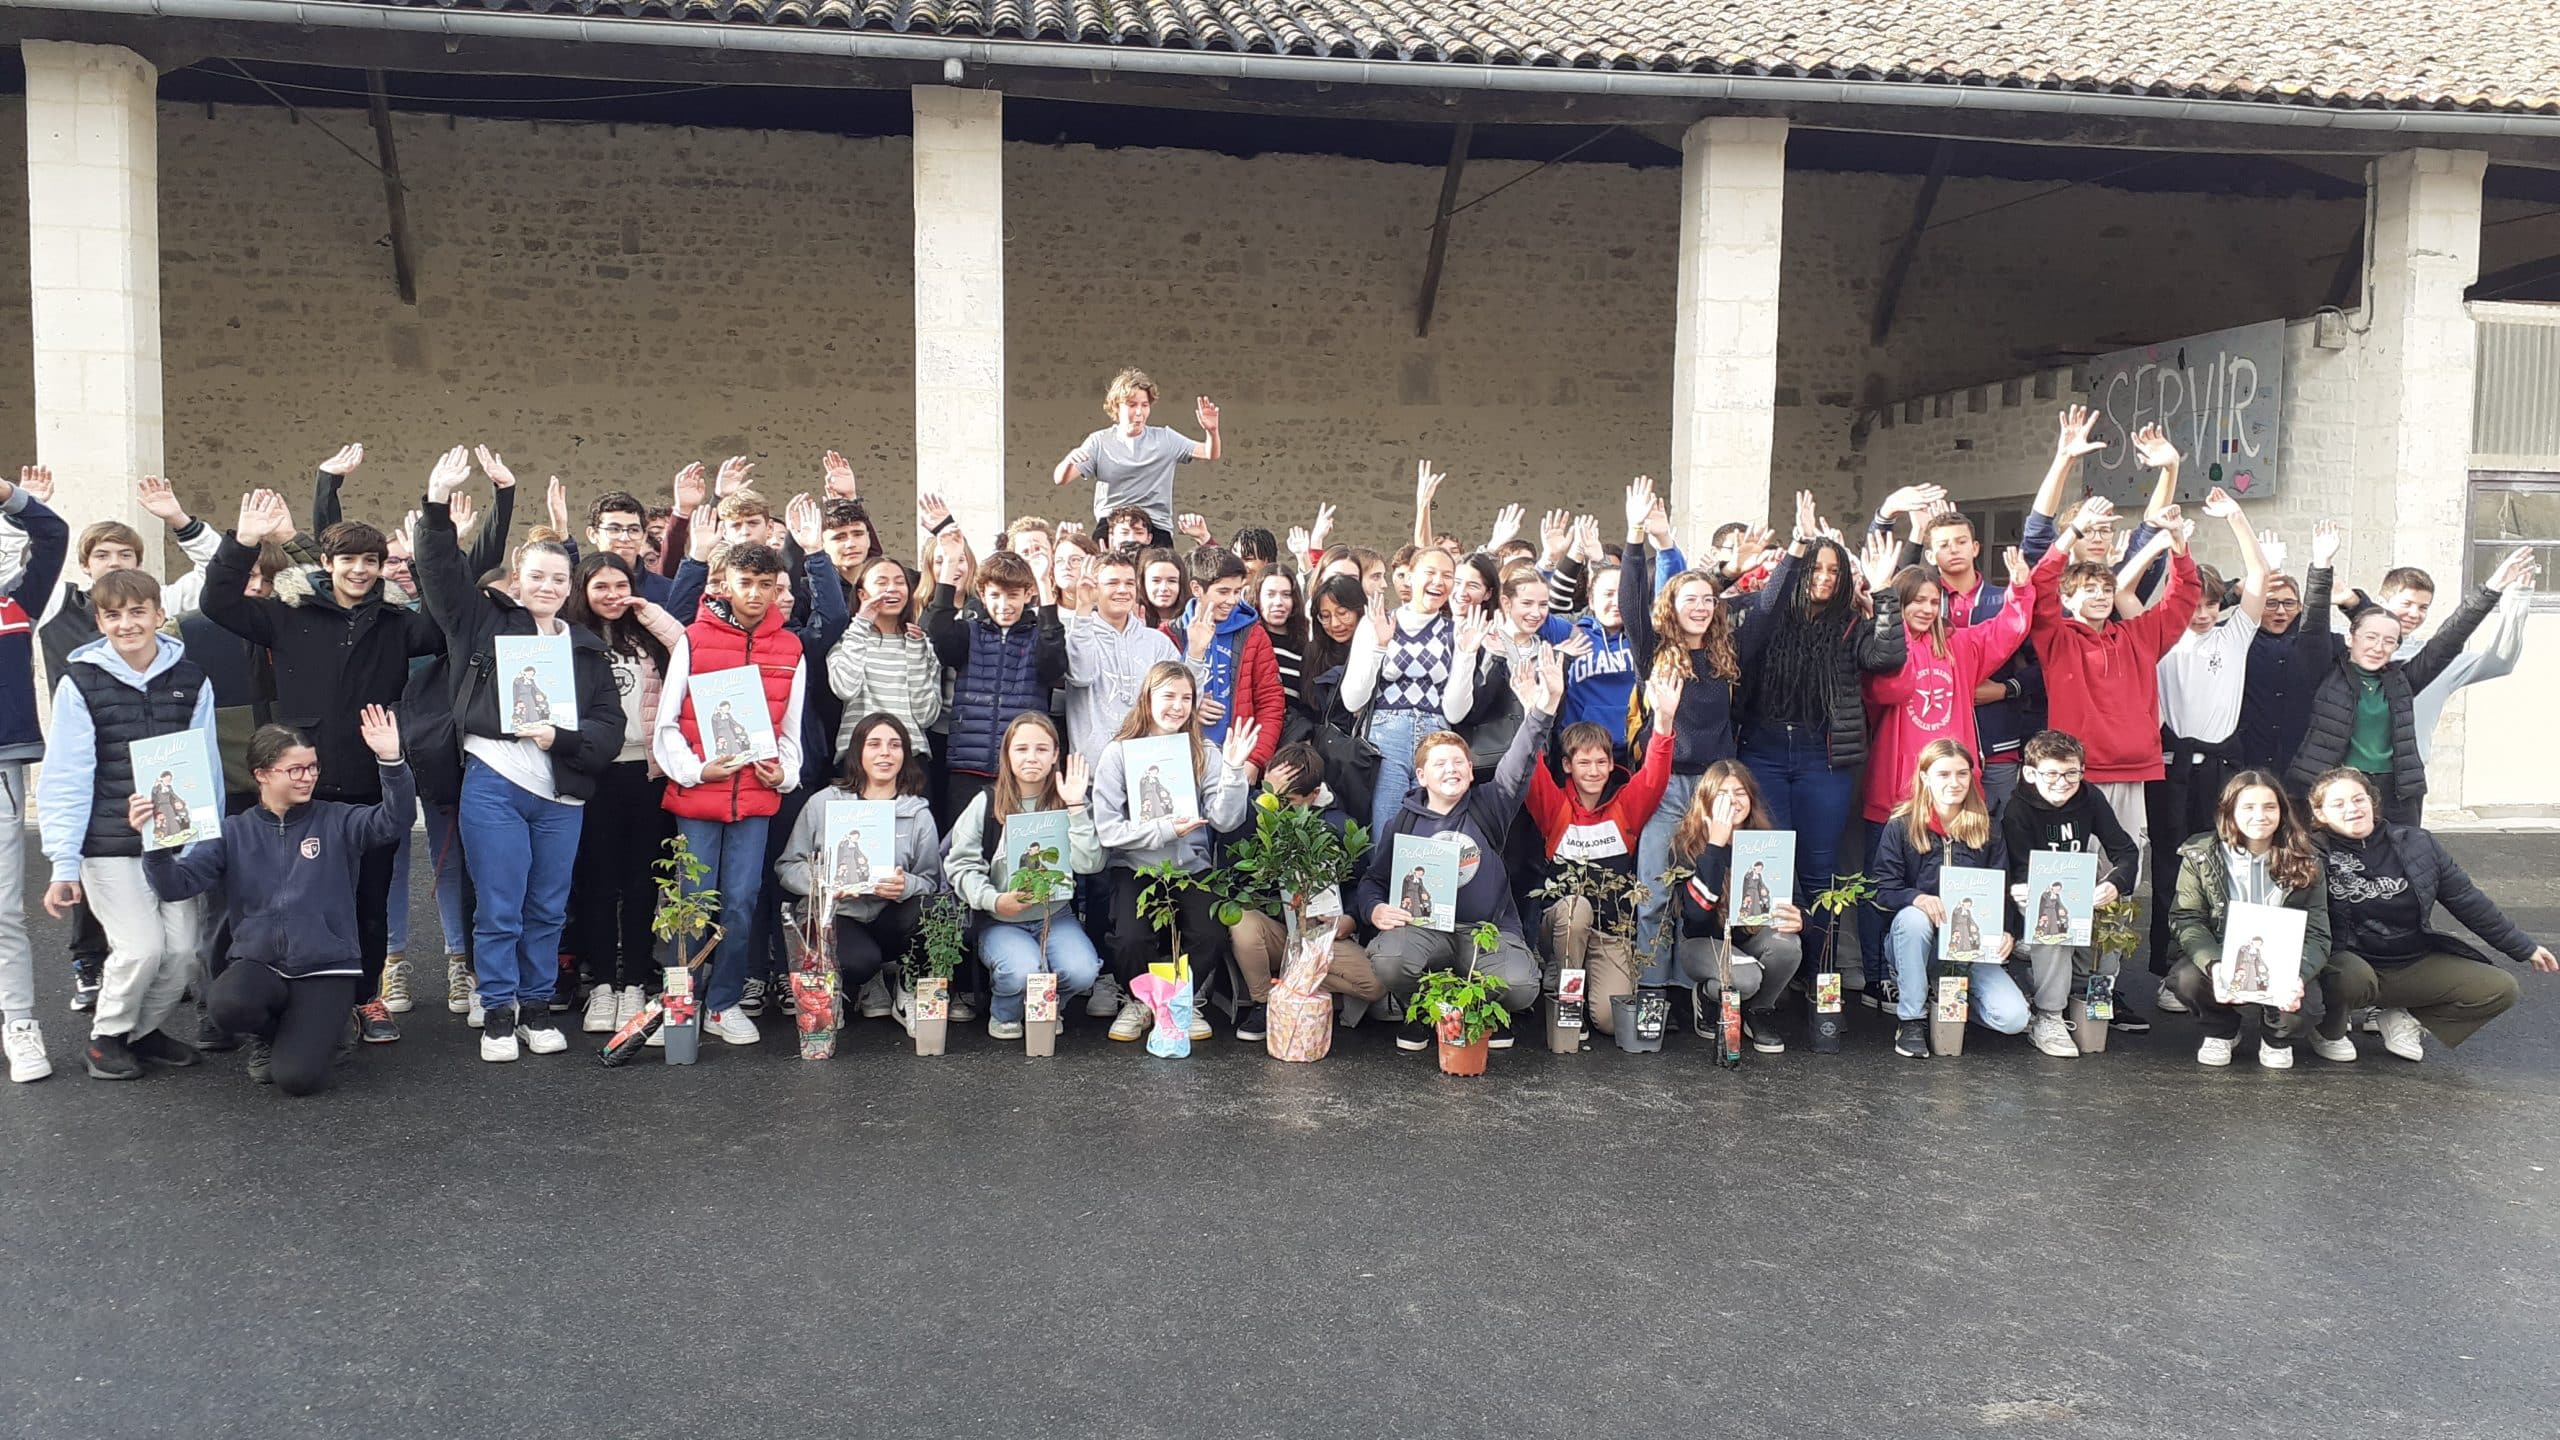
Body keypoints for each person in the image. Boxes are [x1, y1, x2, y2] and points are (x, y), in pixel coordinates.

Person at [207, 484, 448, 1042]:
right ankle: (274, 992)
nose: (359, 570)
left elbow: (440, 625)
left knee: (370, 895)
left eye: (371, 560)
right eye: (348, 560)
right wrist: (243, 542)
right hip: (301, 785)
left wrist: (425, 553)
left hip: (370, 781)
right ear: (326, 563)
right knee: (287, 893)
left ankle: (366, 999)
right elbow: (217, 603)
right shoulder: (284, 616)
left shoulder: (394, 623)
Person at [413, 447, 624, 1064]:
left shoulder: (585, 648)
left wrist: (563, 741)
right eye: (537, 577)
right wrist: (435, 504)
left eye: (559, 579)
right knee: (500, 906)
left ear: (571, 586)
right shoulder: (482, 623)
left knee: (547, 907)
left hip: (560, 793)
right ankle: (499, 1012)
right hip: (495, 782)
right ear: (516, 577)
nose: (548, 588)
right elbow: (439, 569)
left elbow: (608, 729)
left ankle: (536, 1009)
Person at [143, 711, 414, 1094]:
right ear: (262, 774)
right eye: (296, 770)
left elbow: (395, 820)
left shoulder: (338, 820)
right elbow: (176, 886)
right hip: (259, 965)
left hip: (326, 970)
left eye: (313, 767)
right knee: (226, 1006)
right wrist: (155, 848)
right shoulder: (232, 831)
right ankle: (270, 1035)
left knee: (296, 1080)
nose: (308, 777)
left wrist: (391, 760)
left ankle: (330, 1027)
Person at [35, 568, 220, 1081]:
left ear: (160, 615)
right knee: (141, 948)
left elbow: (205, 767)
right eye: (112, 615)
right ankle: (106, 1037)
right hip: (107, 844)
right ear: (99, 621)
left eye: (137, 612)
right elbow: (67, 775)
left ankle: (145, 1033)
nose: (126, 624)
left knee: (183, 953)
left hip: (174, 843)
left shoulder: (191, 679)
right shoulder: (81, 682)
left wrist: (210, 841)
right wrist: (63, 863)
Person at [2026, 462, 2199, 970]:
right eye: (2089, 590)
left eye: (2106, 590)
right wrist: (2071, 535)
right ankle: (2059, 991)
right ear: (2069, 598)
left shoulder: (2139, 636)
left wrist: (2179, 548)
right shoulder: (2056, 639)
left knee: (2120, 881)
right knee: (2068, 881)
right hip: (2075, 779)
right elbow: (2037, 589)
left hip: (2132, 772)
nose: (2101, 596)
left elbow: (2183, 599)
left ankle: (2104, 989)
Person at [1358, 651, 1561, 1054]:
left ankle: (1479, 1012)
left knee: (1521, 984)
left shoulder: (1492, 804)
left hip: (1485, 932)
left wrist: (1542, 708)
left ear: (1471, 770)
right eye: (1440, 764)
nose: (1451, 769)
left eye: (1459, 762)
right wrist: (1374, 910)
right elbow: (1373, 882)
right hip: (1426, 932)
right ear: (1421, 775)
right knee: (1390, 959)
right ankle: (1422, 1011)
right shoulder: (1403, 821)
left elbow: (1519, 762)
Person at [1736, 494, 1906, 963]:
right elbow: (1727, 612)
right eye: (1816, 569)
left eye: (1834, 571)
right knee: (1767, 863)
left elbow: (1887, 657)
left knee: (1819, 872)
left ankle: (1821, 981)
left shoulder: (1851, 625)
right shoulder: (1767, 618)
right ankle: (1772, 978)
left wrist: (1886, 590)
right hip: (1763, 750)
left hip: (1823, 757)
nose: (1825, 579)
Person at [1857, 547, 2032, 997]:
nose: (1927, 609)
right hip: (1897, 787)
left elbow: (2006, 632)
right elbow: (1889, 690)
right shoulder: (1885, 647)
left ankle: (1946, 975)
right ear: (1899, 602)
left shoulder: (1960, 644)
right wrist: (1889, 622)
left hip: (1954, 789)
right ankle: (1879, 977)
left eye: (1934, 601)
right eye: (1916, 600)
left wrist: (2019, 589)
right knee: (1888, 883)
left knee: (1957, 882)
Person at [654, 540, 808, 1048]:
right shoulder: (693, 640)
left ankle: (721, 1004)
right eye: (747, 584)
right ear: (724, 584)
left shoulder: (791, 648)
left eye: (767, 585)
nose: (757, 594)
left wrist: (783, 774)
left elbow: (790, 732)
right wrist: (698, 770)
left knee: (741, 903)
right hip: (700, 795)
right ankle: (680, 1004)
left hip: (755, 802)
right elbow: (667, 724)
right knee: (692, 903)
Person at [2305, 767, 2555, 1061]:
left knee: (2500, 989)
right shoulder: (2310, 852)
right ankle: (2328, 1029)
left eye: (2358, 799)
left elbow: (2467, 900)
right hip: (2350, 960)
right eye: (2338, 804)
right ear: (2320, 814)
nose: (2352, 809)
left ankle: (2403, 1016)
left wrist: (2523, 946)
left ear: (2372, 801)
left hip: (2410, 959)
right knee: (2350, 978)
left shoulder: (2417, 843)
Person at [2285, 532, 2530, 826]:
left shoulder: (2402, 680)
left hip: (2396, 792)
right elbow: (2312, 628)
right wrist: (2322, 565)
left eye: (2389, 641)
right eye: (2371, 638)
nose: (2379, 647)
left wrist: (2493, 587)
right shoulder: (2326, 673)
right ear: (2351, 638)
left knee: (2401, 863)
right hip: (2338, 788)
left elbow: (2448, 639)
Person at [1618, 476, 1763, 968]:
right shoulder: (1654, 653)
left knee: (1711, 889)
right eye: (1689, 600)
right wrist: (1637, 537)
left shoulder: (1727, 656)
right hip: (1663, 788)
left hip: (1714, 787)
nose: (1700, 608)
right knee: (1656, 891)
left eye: (1707, 600)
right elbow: (1630, 604)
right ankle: (1653, 988)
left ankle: (1697, 986)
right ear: (1672, 608)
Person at [2143, 489, 2272, 990]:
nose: (2200, 613)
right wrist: (2168, 543)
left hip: (2223, 768)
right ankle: (2171, 970)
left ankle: (2235, 965)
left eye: (2210, 604)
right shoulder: (2161, 636)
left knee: (2231, 862)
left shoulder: (2234, 635)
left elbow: (2259, 578)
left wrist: (2237, 517)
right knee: (2173, 866)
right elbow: (2130, 593)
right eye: (2193, 603)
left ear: (2222, 604)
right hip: (2172, 767)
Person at [1093, 661, 1257, 1042]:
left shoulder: (1204, 751)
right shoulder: (1119, 753)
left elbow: (1225, 820)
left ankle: (1183, 999)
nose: (1178, 706)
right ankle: (1138, 1001)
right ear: (1147, 699)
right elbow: (1108, 829)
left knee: (1209, 932)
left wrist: (1232, 771)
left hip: (1190, 867)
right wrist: (1166, 829)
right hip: (1136, 867)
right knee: (1130, 938)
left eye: (1187, 698)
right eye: (1168, 696)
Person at [564, 552, 685, 1034]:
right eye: (601, 587)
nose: (612, 595)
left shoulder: (648, 636)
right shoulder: (570, 638)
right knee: (597, 883)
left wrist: (647, 611)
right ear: (583, 590)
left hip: (646, 773)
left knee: (642, 884)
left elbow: (688, 647)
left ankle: (635, 979)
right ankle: (601, 987)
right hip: (595, 772)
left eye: (621, 585)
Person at [1527, 675, 1681, 1036]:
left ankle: (1588, 980)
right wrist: (1530, 712)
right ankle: (1566, 991)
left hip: (1611, 932)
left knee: (1612, 1022)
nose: (1594, 771)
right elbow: (1529, 770)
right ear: (1567, 766)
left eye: (1601, 762)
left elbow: (1655, 778)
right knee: (1576, 909)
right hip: (1564, 922)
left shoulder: (1625, 805)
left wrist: (1664, 722)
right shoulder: (1555, 806)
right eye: (1584, 763)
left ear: (1612, 763)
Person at [776, 712, 945, 1031]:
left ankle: (906, 988)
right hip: (840, 912)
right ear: (858, 753)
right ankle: (857, 983)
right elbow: (787, 866)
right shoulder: (822, 803)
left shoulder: (918, 812)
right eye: (875, 744)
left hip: (890, 913)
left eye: (895, 745)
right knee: (859, 962)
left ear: (905, 756)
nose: (885, 753)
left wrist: (905, 885)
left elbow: (930, 881)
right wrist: (823, 882)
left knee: (932, 911)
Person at [945, 713, 1105, 1040]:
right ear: (1007, 755)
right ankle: (1006, 1012)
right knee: (1023, 970)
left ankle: (1048, 1007)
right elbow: (960, 864)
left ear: (1054, 756)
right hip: (1001, 918)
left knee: (1083, 970)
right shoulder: (987, 803)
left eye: (1041, 749)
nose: (1031, 757)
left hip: (1055, 915)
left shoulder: (1068, 801)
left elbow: (1090, 864)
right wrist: (994, 900)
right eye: (1021, 749)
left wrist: (1076, 807)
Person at [2163, 771, 2334, 1066]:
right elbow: (2187, 918)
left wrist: (2299, 975)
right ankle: (2221, 1030)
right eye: (2248, 807)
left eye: (2270, 807)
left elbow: (2318, 932)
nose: (2260, 816)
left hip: (2282, 962)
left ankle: (2276, 1037)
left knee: (2307, 1007)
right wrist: (2214, 964)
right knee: (2186, 978)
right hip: (2223, 953)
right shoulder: (2200, 854)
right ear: (2229, 810)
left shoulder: (2306, 858)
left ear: (2282, 812)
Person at [1222, 743, 1388, 1042]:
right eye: (1269, 794)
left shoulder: (1338, 826)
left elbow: (1360, 883)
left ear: (1314, 795)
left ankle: (1296, 991)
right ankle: (1265, 1002)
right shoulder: (1251, 811)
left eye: (1288, 802)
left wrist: (1350, 918)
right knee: (1241, 921)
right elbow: (1232, 872)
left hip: (1318, 935)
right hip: (1275, 930)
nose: (1276, 807)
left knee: (1374, 985)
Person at [1871, 739, 2021, 1058]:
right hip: (1917, 945)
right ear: (1924, 777)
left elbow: (2002, 888)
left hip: (1970, 950)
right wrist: (1916, 898)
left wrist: (2007, 931)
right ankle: (1911, 1019)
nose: (1954, 783)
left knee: (2013, 1018)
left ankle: (1949, 1008)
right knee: (1913, 918)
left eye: (1962, 774)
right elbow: (1882, 889)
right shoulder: (1901, 826)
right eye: (1943, 774)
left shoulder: (1988, 829)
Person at [1999, 729, 2142, 1056]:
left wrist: (2113, 884)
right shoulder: (2017, 809)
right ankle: (2048, 1014)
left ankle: (2089, 1001)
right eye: (2052, 773)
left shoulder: (2089, 797)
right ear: (2030, 773)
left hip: (2081, 889)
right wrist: (2021, 893)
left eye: (2071, 773)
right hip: (2033, 896)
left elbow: (2126, 852)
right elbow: (2016, 868)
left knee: (2114, 920)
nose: (2062, 782)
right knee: (2052, 922)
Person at [0, 467, 68, 1081]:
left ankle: (20, 1021)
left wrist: (9, 496)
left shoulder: (14, 605)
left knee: (2, 909)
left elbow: (52, 534)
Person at [1668, 760, 1805, 1053]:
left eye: (1740, 792)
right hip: (1704, 943)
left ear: (1751, 798)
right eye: (1722, 793)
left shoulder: (1767, 842)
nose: (1732, 800)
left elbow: (1797, 900)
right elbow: (1695, 917)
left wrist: (1799, 918)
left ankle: (1757, 1012)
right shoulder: (1686, 844)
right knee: (1745, 977)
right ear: (1706, 800)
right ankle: (1708, 995)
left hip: (1751, 939)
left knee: (1788, 945)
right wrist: (1715, 845)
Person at [927, 547, 1067, 831]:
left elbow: (1054, 664)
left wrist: (1045, 586)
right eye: (995, 595)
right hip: (968, 764)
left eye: (1013, 595)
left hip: (1020, 768)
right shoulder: (969, 632)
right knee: (961, 843)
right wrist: (950, 566)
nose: (1004, 604)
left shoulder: (1039, 634)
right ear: (982, 593)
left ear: (1028, 595)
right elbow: (938, 633)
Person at [1340, 543, 1473, 840]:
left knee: (1433, 836)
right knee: (1386, 833)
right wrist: (1379, 647)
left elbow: (1455, 711)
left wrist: (1466, 655)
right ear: (1409, 577)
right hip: (1387, 737)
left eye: (1447, 575)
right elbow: (1352, 699)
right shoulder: (1377, 622)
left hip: (1436, 736)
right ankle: (1380, 888)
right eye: (1430, 572)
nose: (1439, 581)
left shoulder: (1456, 631)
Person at [1051, 368, 1221, 544]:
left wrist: (1212, 431)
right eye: (1132, 405)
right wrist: (1070, 459)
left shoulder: (1165, 438)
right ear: (1117, 407)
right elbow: (1060, 479)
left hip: (1155, 526)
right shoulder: (1099, 441)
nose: (1139, 412)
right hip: (1113, 525)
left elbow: (1210, 453)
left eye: (1144, 405)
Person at [1166, 544, 1282, 785]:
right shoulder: (1170, 634)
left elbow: (1271, 701)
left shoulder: (1253, 633)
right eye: (1223, 592)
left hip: (1235, 763)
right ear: (1197, 588)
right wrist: (1190, 708)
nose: (1232, 600)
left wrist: (1255, 760)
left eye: (1237, 591)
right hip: (1179, 761)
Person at [1065, 548, 1181, 764]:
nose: (1123, 590)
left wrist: (1195, 655)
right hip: (1094, 773)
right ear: (1095, 589)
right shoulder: (1079, 633)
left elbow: (1182, 696)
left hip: (1148, 768)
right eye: (1112, 583)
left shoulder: (1157, 642)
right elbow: (1081, 676)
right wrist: (1083, 610)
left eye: (1129, 583)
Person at [828, 552, 942, 756]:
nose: (892, 589)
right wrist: (861, 624)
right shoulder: (848, 640)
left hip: (911, 756)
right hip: (860, 756)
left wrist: (916, 650)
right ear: (863, 594)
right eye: (881, 582)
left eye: (900, 582)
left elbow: (926, 715)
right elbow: (845, 689)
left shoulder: (921, 643)